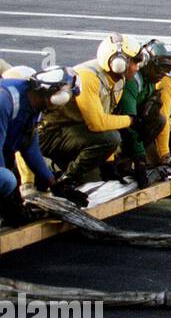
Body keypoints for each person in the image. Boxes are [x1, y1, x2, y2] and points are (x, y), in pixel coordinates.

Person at [39, 33, 146, 187]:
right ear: (119, 63)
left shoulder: (117, 79)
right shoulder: (88, 77)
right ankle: (65, 178)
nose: (137, 68)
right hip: (51, 134)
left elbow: (106, 117)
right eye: (134, 62)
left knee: (95, 179)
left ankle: (65, 170)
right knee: (112, 137)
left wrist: (108, 163)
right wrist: (131, 120)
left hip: (73, 131)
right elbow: (97, 124)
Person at [1, 66, 81, 223]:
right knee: (7, 180)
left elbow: (30, 147)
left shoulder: (32, 106)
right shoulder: (5, 101)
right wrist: (8, 197)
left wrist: (54, 184)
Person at [115, 40, 171, 186]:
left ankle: (127, 161)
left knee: (158, 119)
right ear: (146, 62)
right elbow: (129, 122)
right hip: (115, 127)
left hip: (129, 127)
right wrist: (140, 159)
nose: (163, 74)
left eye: (167, 69)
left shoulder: (150, 82)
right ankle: (118, 161)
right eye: (160, 68)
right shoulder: (133, 82)